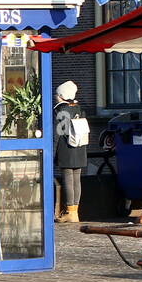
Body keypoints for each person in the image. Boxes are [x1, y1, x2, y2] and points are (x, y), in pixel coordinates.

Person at [54, 80, 88, 223]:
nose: (55, 96)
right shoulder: (79, 108)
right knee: (76, 180)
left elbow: (57, 133)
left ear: (61, 95)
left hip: (66, 149)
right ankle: (75, 212)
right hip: (80, 148)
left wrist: (52, 151)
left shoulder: (61, 111)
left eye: (57, 94)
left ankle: (70, 212)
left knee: (68, 178)